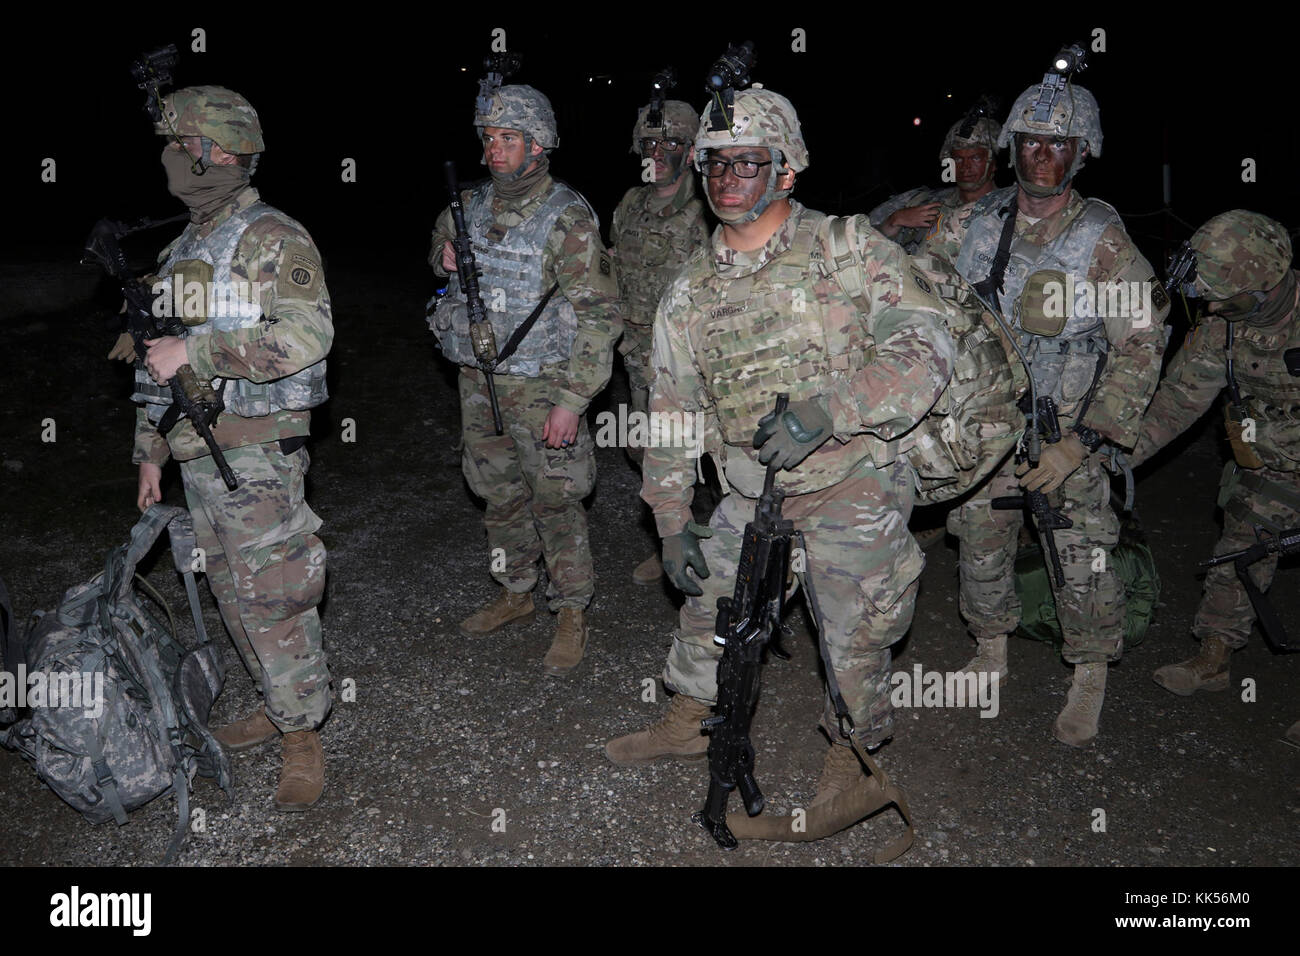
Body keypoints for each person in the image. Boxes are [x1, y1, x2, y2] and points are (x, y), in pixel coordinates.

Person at [604, 85, 954, 838]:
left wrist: (831, 410)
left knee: (855, 634)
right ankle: (690, 718)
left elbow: (927, 347)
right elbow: (669, 413)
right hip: (751, 491)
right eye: (716, 164)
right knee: (709, 602)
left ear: (786, 170)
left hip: (853, 481)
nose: (729, 177)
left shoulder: (847, 249)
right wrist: (669, 521)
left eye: (748, 162)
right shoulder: (690, 292)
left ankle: (856, 762)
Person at [929, 80, 1169, 747]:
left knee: (1082, 552)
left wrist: (1087, 439)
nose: (1041, 154)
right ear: (1014, 147)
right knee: (977, 540)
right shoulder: (972, 224)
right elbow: (915, 296)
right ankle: (990, 646)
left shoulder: (1101, 240)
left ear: (1080, 152)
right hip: (987, 425)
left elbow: (1144, 342)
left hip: (1067, 431)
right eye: (1030, 141)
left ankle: (1090, 670)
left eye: (1056, 144)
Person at [131, 86, 333, 810]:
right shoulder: (179, 251)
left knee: (276, 598)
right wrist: (150, 449)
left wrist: (203, 347)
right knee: (230, 594)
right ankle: (275, 707)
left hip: (256, 451)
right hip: (195, 456)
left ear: (216, 153)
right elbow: (156, 360)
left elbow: (309, 338)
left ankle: (302, 734)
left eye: (181, 146)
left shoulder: (273, 238)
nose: (171, 159)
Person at [428, 85, 621, 675]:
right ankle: (515, 590)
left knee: (556, 499)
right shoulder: (466, 206)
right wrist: (445, 258)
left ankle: (570, 610)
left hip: (544, 385)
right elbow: (439, 260)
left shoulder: (567, 219)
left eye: (508, 138)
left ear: (538, 145)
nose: (494, 150)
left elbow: (601, 314)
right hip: (479, 379)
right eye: (488, 138)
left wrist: (572, 400)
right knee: (497, 492)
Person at [1129, 211, 1300, 746]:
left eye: (1226, 298)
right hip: (1271, 468)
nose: (1212, 308)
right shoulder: (1223, 327)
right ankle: (1215, 658)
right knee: (1238, 551)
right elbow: (1179, 401)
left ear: (1266, 284)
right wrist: (1111, 455)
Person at [610, 99, 710, 584]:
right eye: (650, 143)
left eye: (671, 143)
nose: (659, 152)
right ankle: (675, 532)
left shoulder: (706, 209)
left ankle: (717, 542)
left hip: (689, 362)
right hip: (637, 358)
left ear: (690, 152)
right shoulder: (630, 204)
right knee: (644, 452)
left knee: (705, 454)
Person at [868, 114, 1001, 255]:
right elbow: (863, 244)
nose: (965, 167)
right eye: (958, 158)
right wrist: (893, 221)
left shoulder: (1010, 211)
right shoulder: (924, 202)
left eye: (975, 158)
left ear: (993, 163)